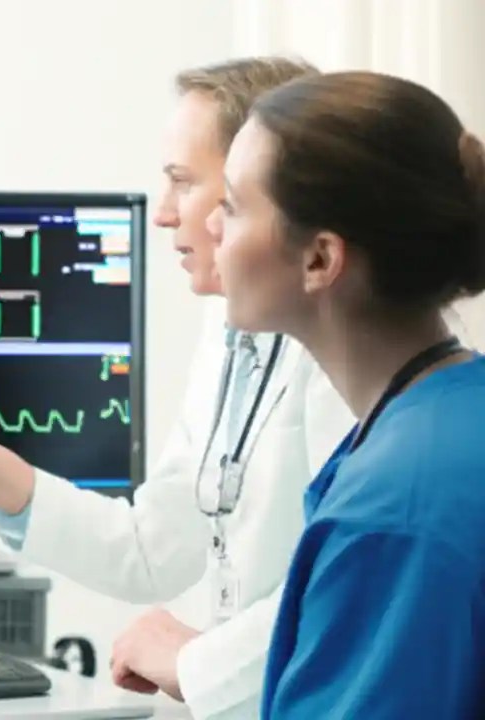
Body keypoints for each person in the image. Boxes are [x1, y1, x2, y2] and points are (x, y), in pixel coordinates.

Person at [0, 57, 355, 719]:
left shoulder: (346, 354)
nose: (165, 215)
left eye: (187, 184)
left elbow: (345, 596)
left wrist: (189, 659)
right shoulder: (233, 328)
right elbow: (155, 547)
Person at [213, 70, 485, 718]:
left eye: (231, 205)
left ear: (320, 260)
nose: (210, 227)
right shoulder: (445, 417)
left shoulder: (396, 509)